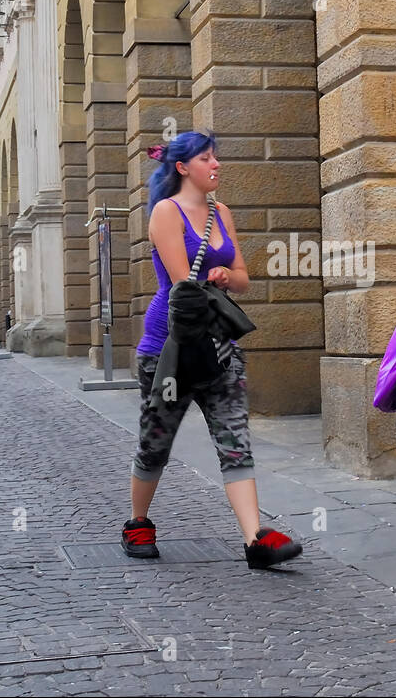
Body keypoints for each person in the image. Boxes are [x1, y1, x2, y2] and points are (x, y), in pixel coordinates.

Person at [122, 130, 302, 570]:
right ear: (183, 167)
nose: (216, 165)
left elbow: (243, 277)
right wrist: (209, 278)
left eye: (216, 158)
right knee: (155, 442)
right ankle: (138, 522)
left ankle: (254, 539)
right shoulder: (166, 212)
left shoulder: (221, 212)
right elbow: (183, 284)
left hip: (221, 345)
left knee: (235, 442)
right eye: (207, 159)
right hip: (171, 346)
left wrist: (225, 276)